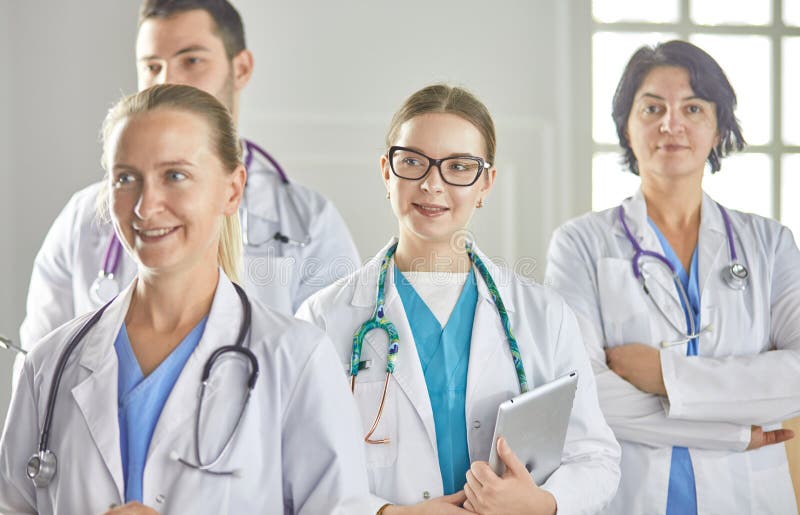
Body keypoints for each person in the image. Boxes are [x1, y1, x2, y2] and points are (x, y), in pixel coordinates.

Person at [0, 84, 370, 514]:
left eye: (175, 175)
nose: (145, 206)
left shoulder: (295, 359)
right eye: (126, 178)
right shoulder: (49, 365)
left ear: (232, 191)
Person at [296, 84, 621, 515]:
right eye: (412, 162)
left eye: (459, 166)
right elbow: (300, 470)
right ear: (386, 172)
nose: (432, 184)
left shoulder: (543, 315)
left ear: (485, 183)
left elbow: (595, 457)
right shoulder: (324, 318)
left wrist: (542, 503)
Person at [17, 0, 360, 373]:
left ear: (240, 68)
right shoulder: (82, 221)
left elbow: (332, 382)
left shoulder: (309, 224)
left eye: (192, 61)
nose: (169, 82)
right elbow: (39, 385)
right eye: (152, 67)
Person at [545, 40, 800, 514]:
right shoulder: (579, 243)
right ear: (626, 125)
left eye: (693, 107)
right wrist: (732, 434)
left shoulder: (771, 244)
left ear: (719, 125)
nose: (671, 124)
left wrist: (663, 374)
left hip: (748, 497)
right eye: (652, 108)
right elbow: (582, 391)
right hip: (629, 494)